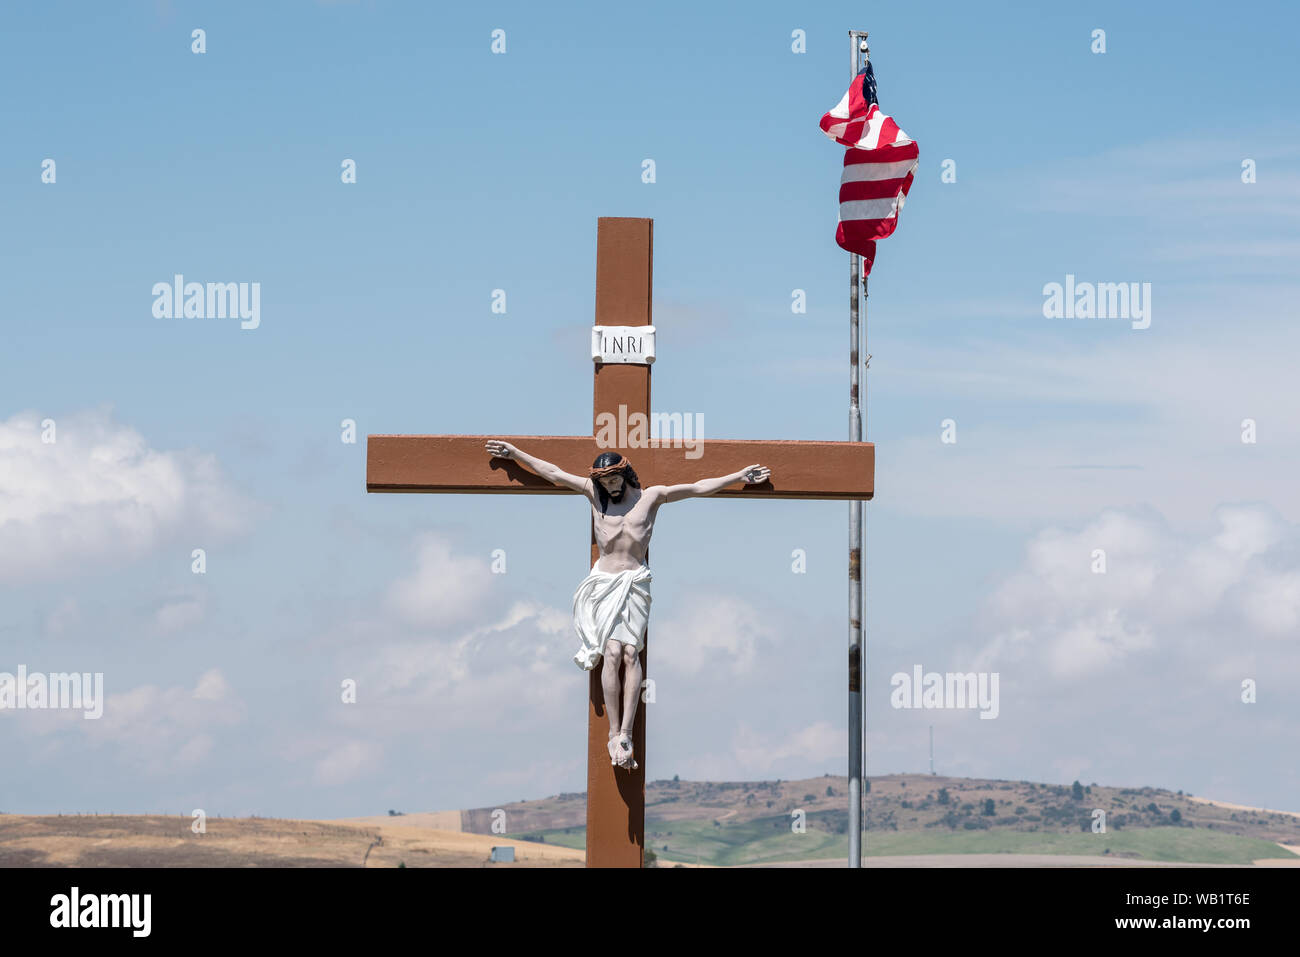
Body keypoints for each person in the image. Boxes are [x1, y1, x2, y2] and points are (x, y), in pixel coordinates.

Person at [484, 441, 770, 770]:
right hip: (603, 584)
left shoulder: (651, 497)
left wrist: (739, 475)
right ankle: (611, 733)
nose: (610, 487)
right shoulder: (594, 494)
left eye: (614, 480)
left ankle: (625, 733)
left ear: (626, 473)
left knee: (632, 652)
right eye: (604, 482)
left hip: (634, 582)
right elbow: (554, 473)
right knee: (612, 653)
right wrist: (516, 454)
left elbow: (697, 487)